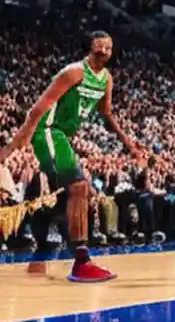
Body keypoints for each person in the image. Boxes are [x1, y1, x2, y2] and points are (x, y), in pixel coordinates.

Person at [0, 31, 142, 282]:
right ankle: (81, 262)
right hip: (48, 131)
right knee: (79, 186)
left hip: (62, 136)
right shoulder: (74, 72)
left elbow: (107, 115)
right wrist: (15, 144)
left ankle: (41, 232)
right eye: (100, 45)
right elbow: (39, 107)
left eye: (109, 47)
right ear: (90, 47)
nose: (104, 50)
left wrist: (129, 144)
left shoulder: (106, 80)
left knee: (66, 194)